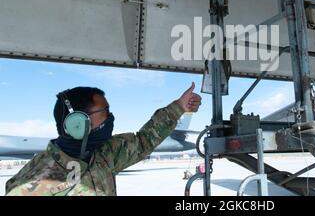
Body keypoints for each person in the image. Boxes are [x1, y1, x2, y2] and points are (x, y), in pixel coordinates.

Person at [5, 83, 202, 196]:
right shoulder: (31, 185)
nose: (111, 118)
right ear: (77, 123)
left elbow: (144, 141)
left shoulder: (103, 155)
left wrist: (179, 106)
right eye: (105, 111)